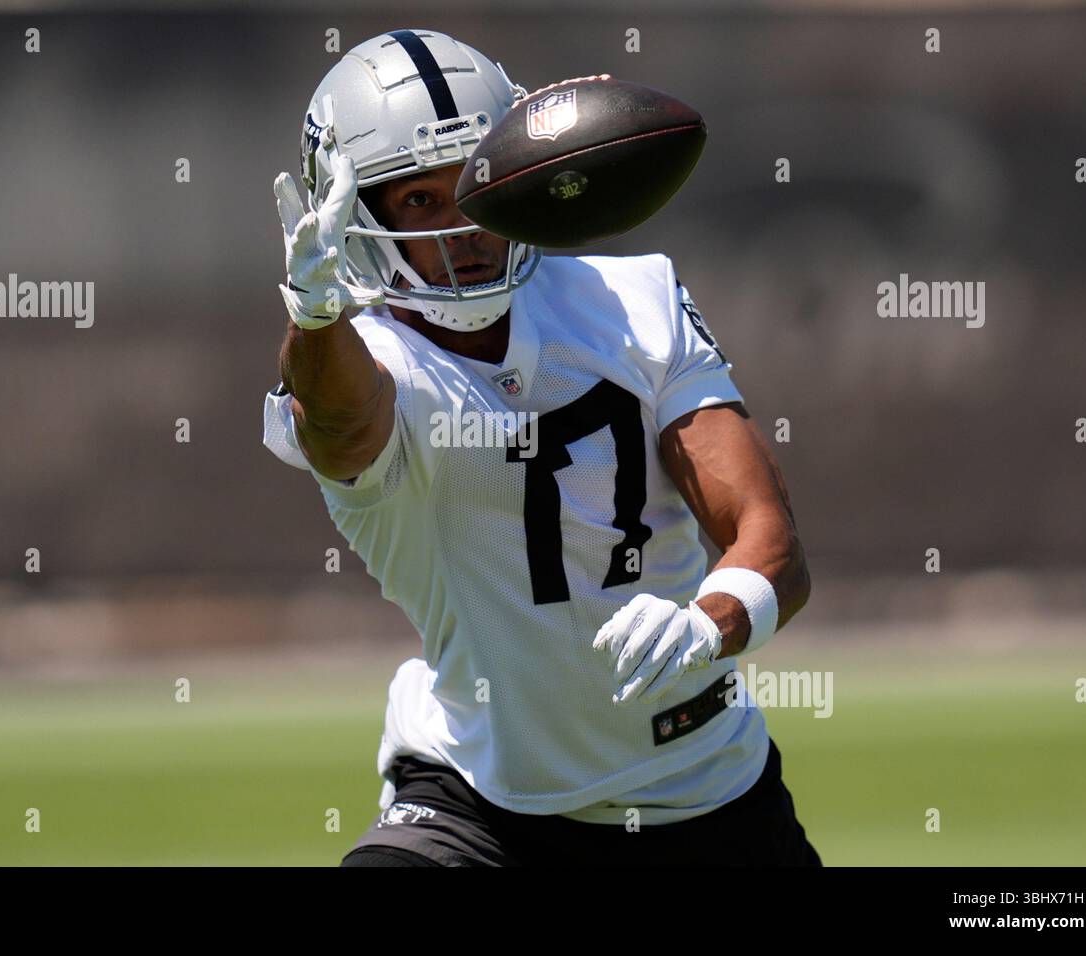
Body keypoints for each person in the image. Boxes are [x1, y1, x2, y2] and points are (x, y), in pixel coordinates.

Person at [264, 28, 820, 866]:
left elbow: (769, 539)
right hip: (477, 791)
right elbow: (343, 427)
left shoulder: (635, 300)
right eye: (419, 201)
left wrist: (709, 624)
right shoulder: (358, 360)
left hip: (698, 787)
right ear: (354, 217)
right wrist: (314, 313)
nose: (461, 229)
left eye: (472, 188)